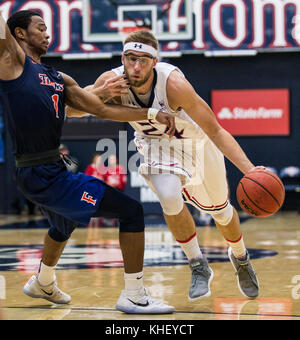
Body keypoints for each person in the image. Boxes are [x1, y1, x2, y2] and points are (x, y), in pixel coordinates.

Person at [66, 30, 264, 301]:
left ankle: (240, 257)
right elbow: (71, 109)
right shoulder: (112, 80)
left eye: (143, 60)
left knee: (220, 212)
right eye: (130, 58)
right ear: (123, 58)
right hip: (154, 144)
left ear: (155, 62)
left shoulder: (173, 84)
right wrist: (98, 93)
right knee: (169, 196)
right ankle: (197, 264)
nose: (136, 66)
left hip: (196, 143)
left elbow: (216, 131)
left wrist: (250, 170)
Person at [0, 10, 176, 314]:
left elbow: (102, 109)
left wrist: (150, 114)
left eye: (47, 28)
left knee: (63, 223)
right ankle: (134, 295)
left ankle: (42, 280)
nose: (46, 33)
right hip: (38, 170)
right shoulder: (12, 63)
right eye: (40, 28)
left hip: (52, 168)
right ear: (19, 35)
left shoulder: (58, 79)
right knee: (131, 212)